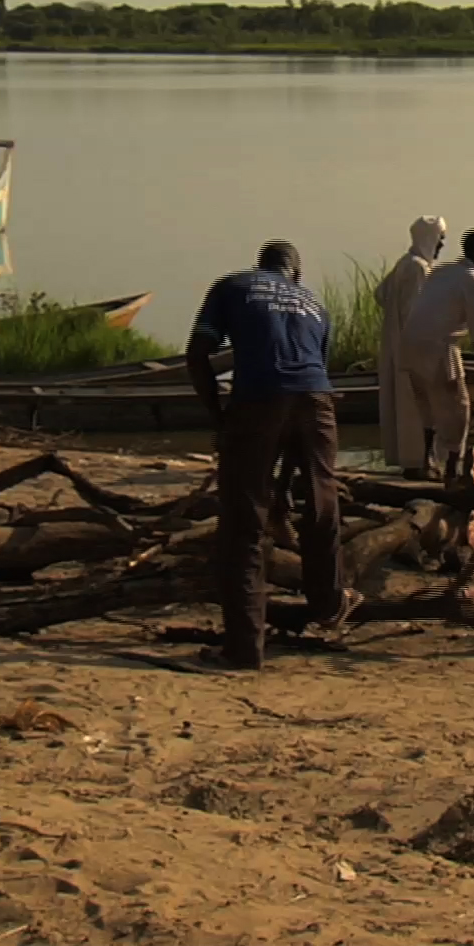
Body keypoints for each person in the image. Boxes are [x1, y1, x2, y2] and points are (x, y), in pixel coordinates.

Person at [186, 240, 357, 670]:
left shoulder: (232, 285)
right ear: (295, 273)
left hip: (258, 399)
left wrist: (218, 417)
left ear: (260, 265)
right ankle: (329, 603)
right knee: (322, 499)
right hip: (316, 400)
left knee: (244, 522)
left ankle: (243, 648)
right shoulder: (314, 304)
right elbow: (312, 373)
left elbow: (197, 352)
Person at [402, 228, 474, 485]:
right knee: (459, 408)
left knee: (427, 406)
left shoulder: (441, 272)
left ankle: (426, 461)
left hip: (410, 344)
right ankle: (453, 466)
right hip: (438, 347)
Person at [375, 216, 445, 477]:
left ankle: (412, 459)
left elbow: (380, 294)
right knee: (419, 406)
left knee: (406, 402)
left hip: (397, 344)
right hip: (415, 347)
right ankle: (420, 462)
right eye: (440, 239)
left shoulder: (404, 263)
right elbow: (418, 311)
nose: (441, 246)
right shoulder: (418, 268)